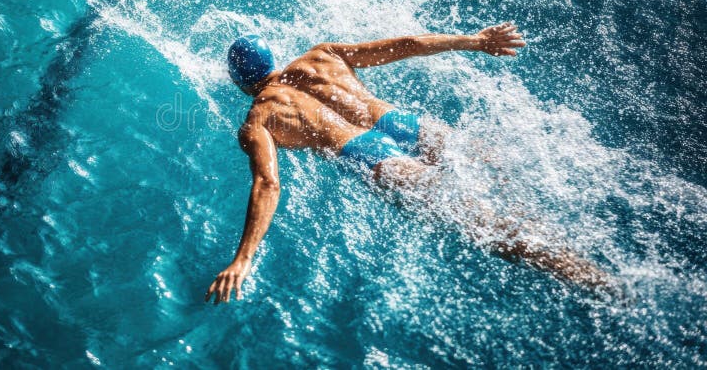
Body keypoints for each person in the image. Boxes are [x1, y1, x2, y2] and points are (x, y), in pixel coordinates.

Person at [205, 23, 613, 304]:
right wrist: (475, 40)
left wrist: (243, 259)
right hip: (408, 125)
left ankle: (597, 282)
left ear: (240, 82)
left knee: (493, 228)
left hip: (370, 155)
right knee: (503, 173)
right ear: (272, 58)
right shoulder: (322, 55)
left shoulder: (259, 119)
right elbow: (409, 45)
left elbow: (267, 185)